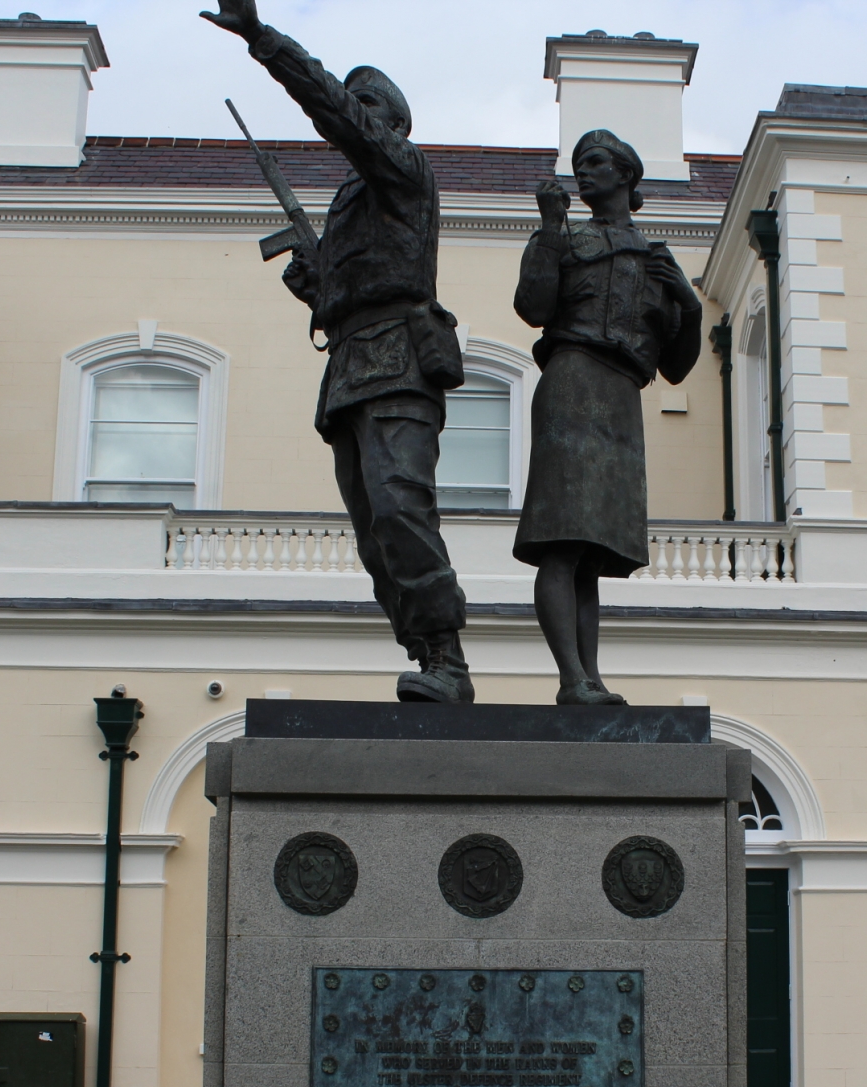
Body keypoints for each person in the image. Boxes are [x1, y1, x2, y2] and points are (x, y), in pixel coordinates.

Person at [203, 0, 472, 702]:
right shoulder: (353, 200)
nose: (352, 112)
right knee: (372, 533)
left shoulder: (403, 170)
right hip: (350, 367)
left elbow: (333, 111)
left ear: (388, 121)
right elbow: (346, 291)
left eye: (363, 104)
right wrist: (315, 283)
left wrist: (265, 42)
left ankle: (448, 658)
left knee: (399, 509)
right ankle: (422, 653)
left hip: (398, 361)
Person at [512, 130, 702, 705]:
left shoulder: (655, 258)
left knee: (589, 555)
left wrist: (689, 306)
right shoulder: (562, 236)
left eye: (594, 163)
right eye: (579, 165)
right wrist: (548, 229)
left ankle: (588, 679)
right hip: (572, 381)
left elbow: (677, 367)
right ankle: (572, 678)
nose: (583, 174)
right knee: (561, 542)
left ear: (626, 174)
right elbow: (533, 307)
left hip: (622, 396)